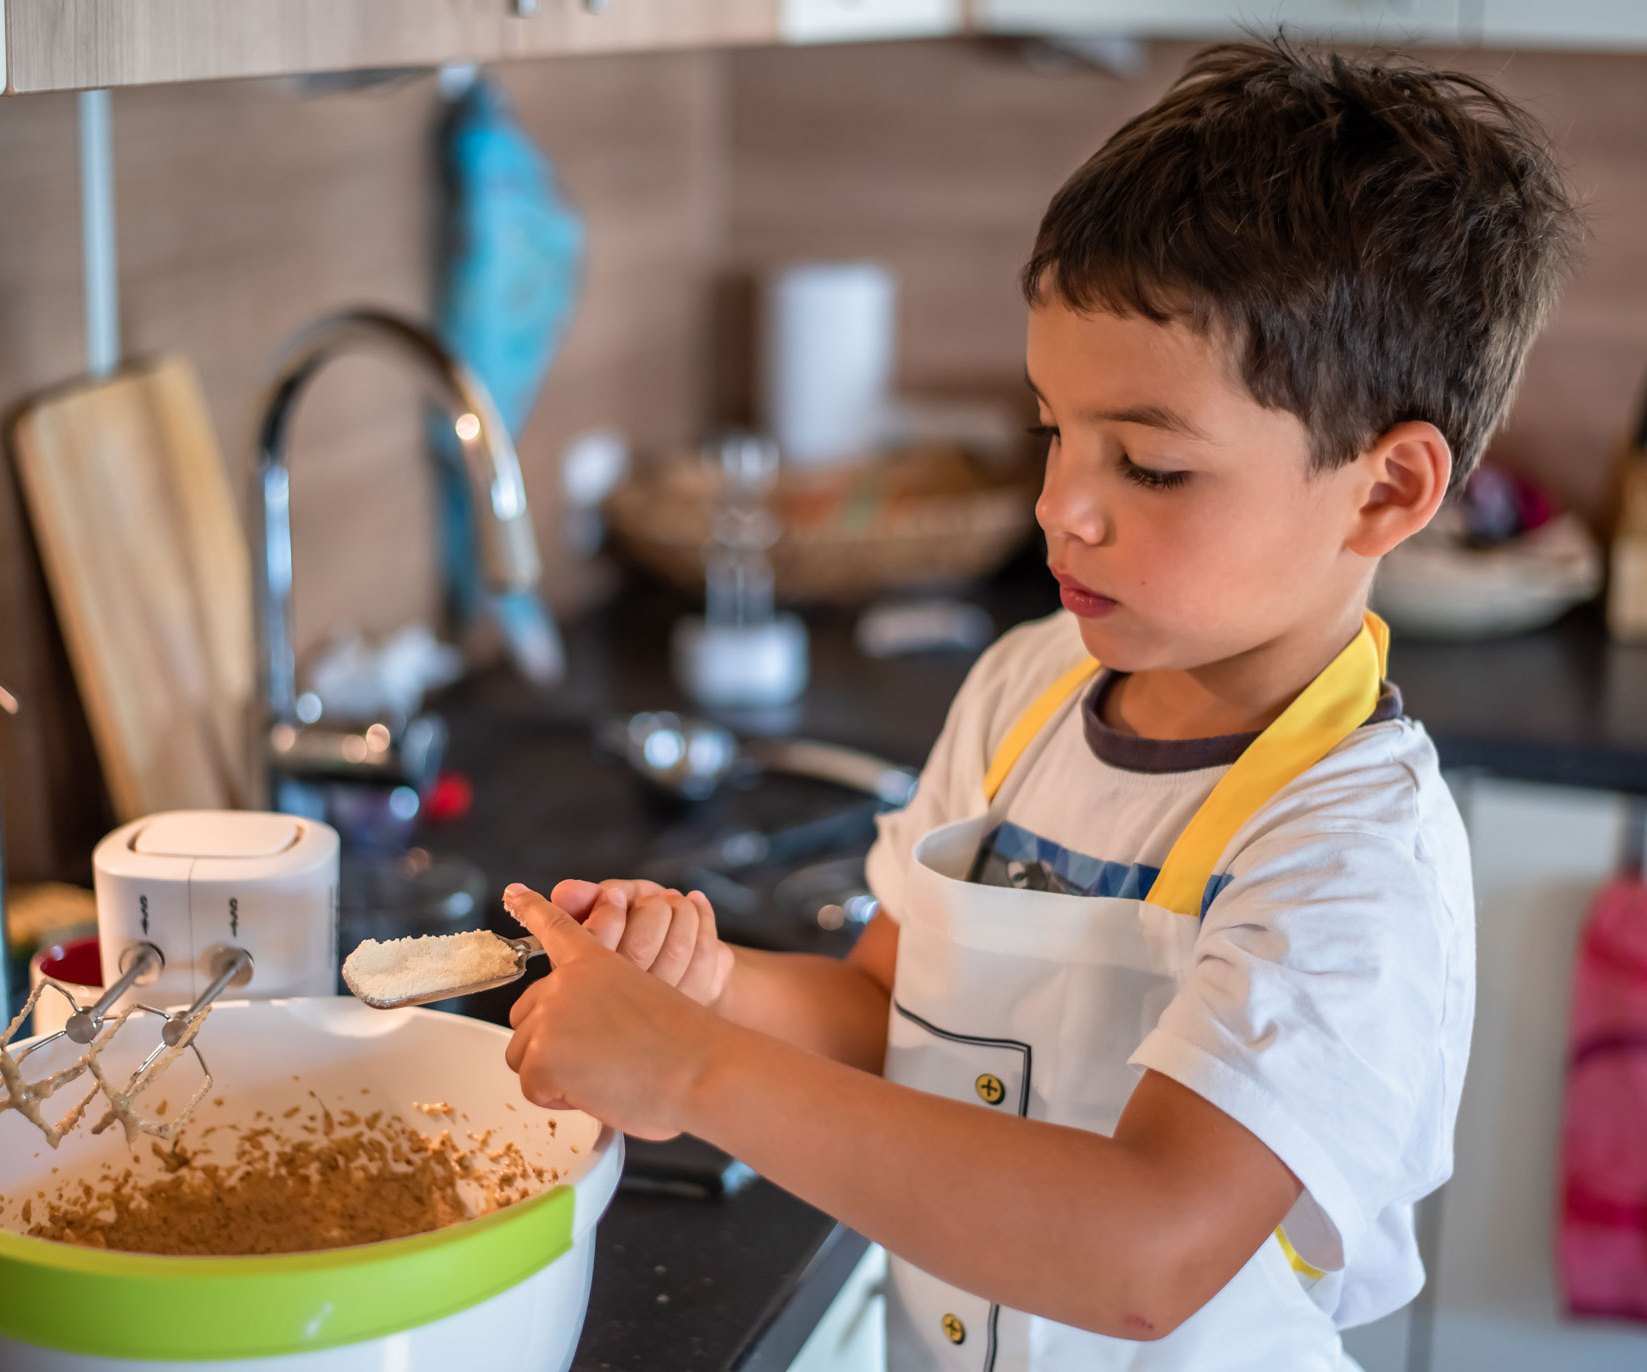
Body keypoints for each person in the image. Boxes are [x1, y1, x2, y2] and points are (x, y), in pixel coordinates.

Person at [501, 37, 1581, 1369]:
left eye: (1149, 465)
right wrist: (705, 989)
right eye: (1052, 432)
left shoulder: (1351, 856)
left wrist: (694, 1071)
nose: (1061, 505)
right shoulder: (1028, 688)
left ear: (1385, 491)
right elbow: (889, 1013)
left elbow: (1146, 1253)